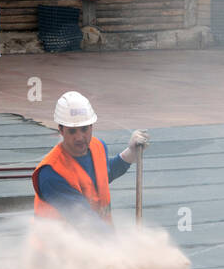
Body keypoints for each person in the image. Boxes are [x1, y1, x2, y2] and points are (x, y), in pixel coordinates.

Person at [32, 92, 149, 227]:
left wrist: (130, 154)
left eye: (84, 129)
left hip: (95, 242)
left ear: (91, 127)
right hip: (59, 246)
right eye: (72, 131)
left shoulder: (98, 147)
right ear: (61, 130)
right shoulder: (51, 173)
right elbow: (85, 221)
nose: (80, 137)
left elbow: (101, 177)